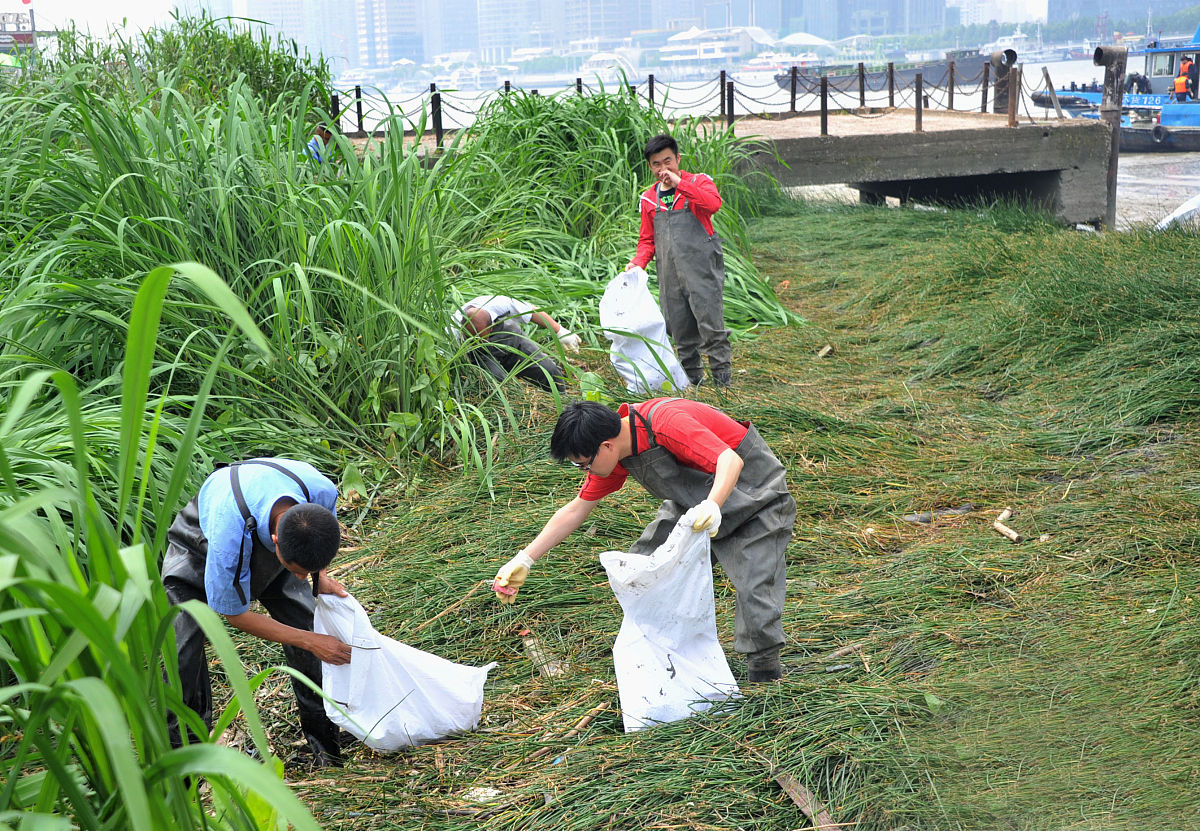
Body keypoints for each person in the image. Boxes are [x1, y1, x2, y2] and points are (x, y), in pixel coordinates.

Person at [492, 399, 795, 682]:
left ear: (606, 446)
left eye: (584, 464)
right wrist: (525, 560)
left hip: (756, 498)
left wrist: (713, 505)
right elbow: (576, 509)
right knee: (643, 570)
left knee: (755, 593)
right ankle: (666, 658)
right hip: (693, 504)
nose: (585, 472)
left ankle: (764, 678)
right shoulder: (616, 454)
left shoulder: (666, 422)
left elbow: (730, 461)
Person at [161, 458, 352, 767]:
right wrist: (310, 642)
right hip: (198, 549)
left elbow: (315, 544)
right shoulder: (227, 539)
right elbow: (236, 615)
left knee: (308, 622)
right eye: (299, 571)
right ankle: (187, 763)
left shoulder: (320, 492)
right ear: (277, 541)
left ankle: (326, 748)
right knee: (183, 654)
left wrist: (321, 578)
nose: (303, 579)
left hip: (264, 531)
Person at [627, 134, 732, 388]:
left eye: (668, 161)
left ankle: (723, 383)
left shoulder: (699, 182)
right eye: (656, 164)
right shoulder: (649, 198)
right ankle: (693, 380)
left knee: (710, 324)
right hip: (669, 273)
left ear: (678, 159)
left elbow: (712, 204)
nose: (663, 169)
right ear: (650, 167)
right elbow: (647, 241)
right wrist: (637, 263)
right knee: (679, 328)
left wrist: (679, 183)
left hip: (701, 269)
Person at [453, 294, 580, 393]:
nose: (477, 339)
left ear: (490, 327)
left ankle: (565, 406)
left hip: (510, 339)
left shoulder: (497, 303)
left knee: (549, 370)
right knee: (497, 386)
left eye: (480, 336)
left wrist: (559, 331)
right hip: (479, 354)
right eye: (472, 336)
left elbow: (531, 312)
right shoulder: (453, 331)